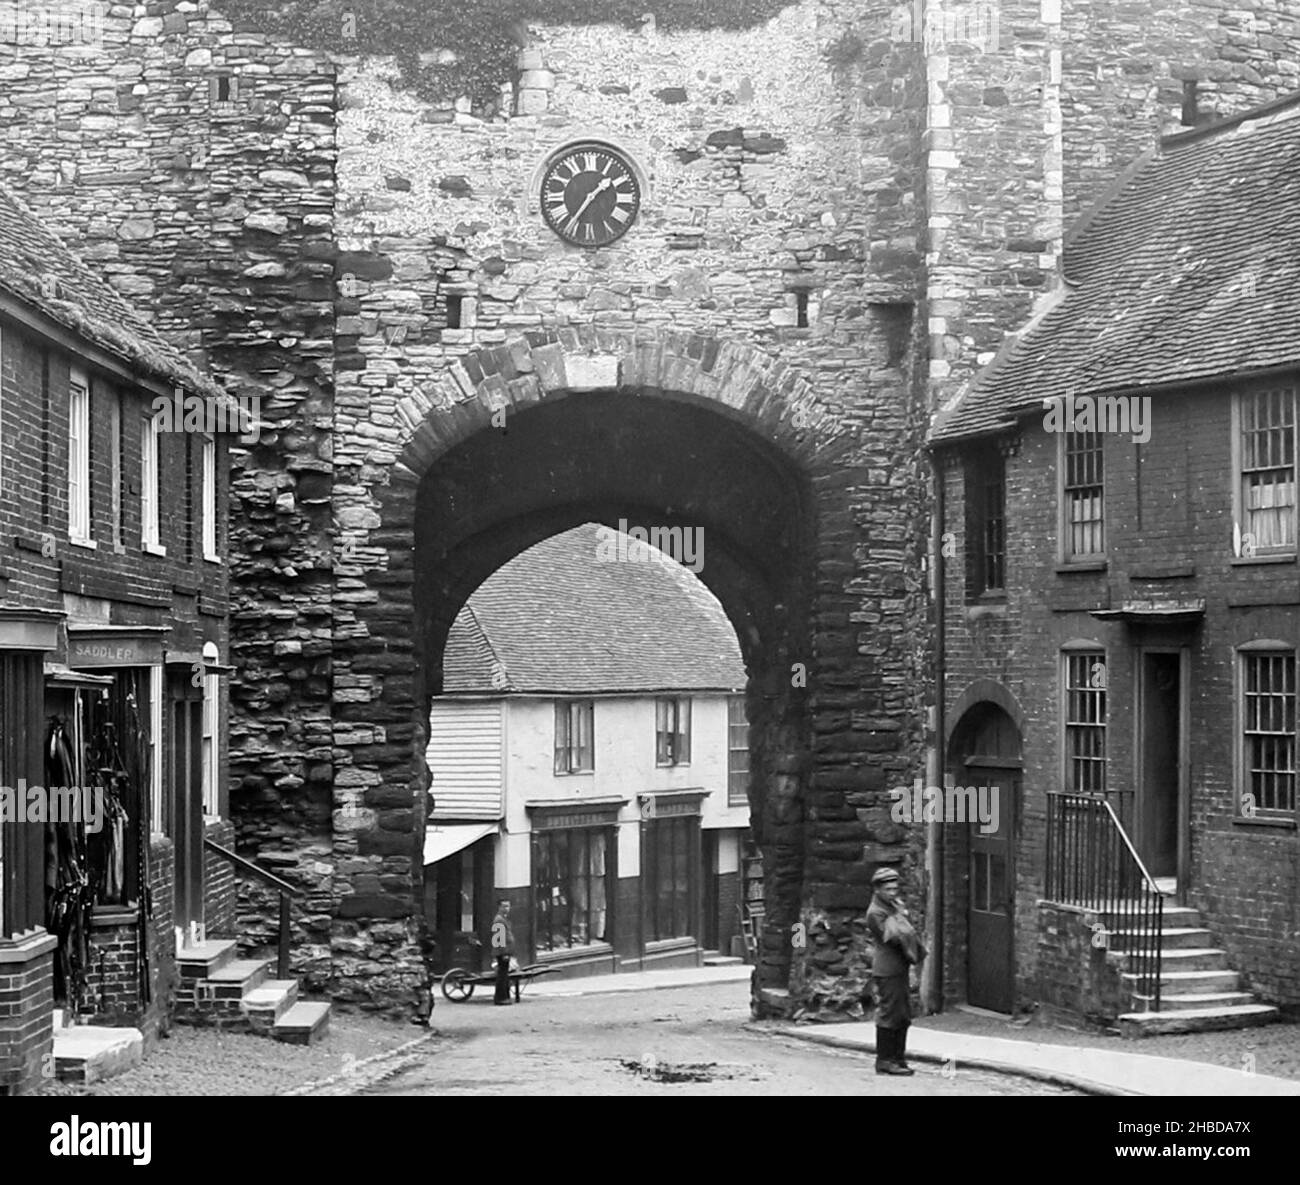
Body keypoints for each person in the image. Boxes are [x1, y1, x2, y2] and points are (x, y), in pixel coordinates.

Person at [865, 866, 925, 1075]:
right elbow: (897, 936)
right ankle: (885, 1059)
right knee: (890, 1013)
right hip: (888, 968)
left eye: (894, 888)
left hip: (899, 967)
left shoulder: (892, 908)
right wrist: (902, 918)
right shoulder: (876, 912)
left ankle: (899, 1057)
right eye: (888, 889)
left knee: (903, 1014)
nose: (893, 892)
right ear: (878, 890)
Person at [491, 899, 516, 1005]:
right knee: (502, 975)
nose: (507, 909)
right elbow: (499, 939)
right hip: (502, 953)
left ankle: (504, 996)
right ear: (499, 907)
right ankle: (500, 998)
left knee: (504, 975)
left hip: (504, 952)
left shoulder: (502, 919)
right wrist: (504, 953)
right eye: (504, 906)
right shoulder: (499, 920)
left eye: (508, 906)